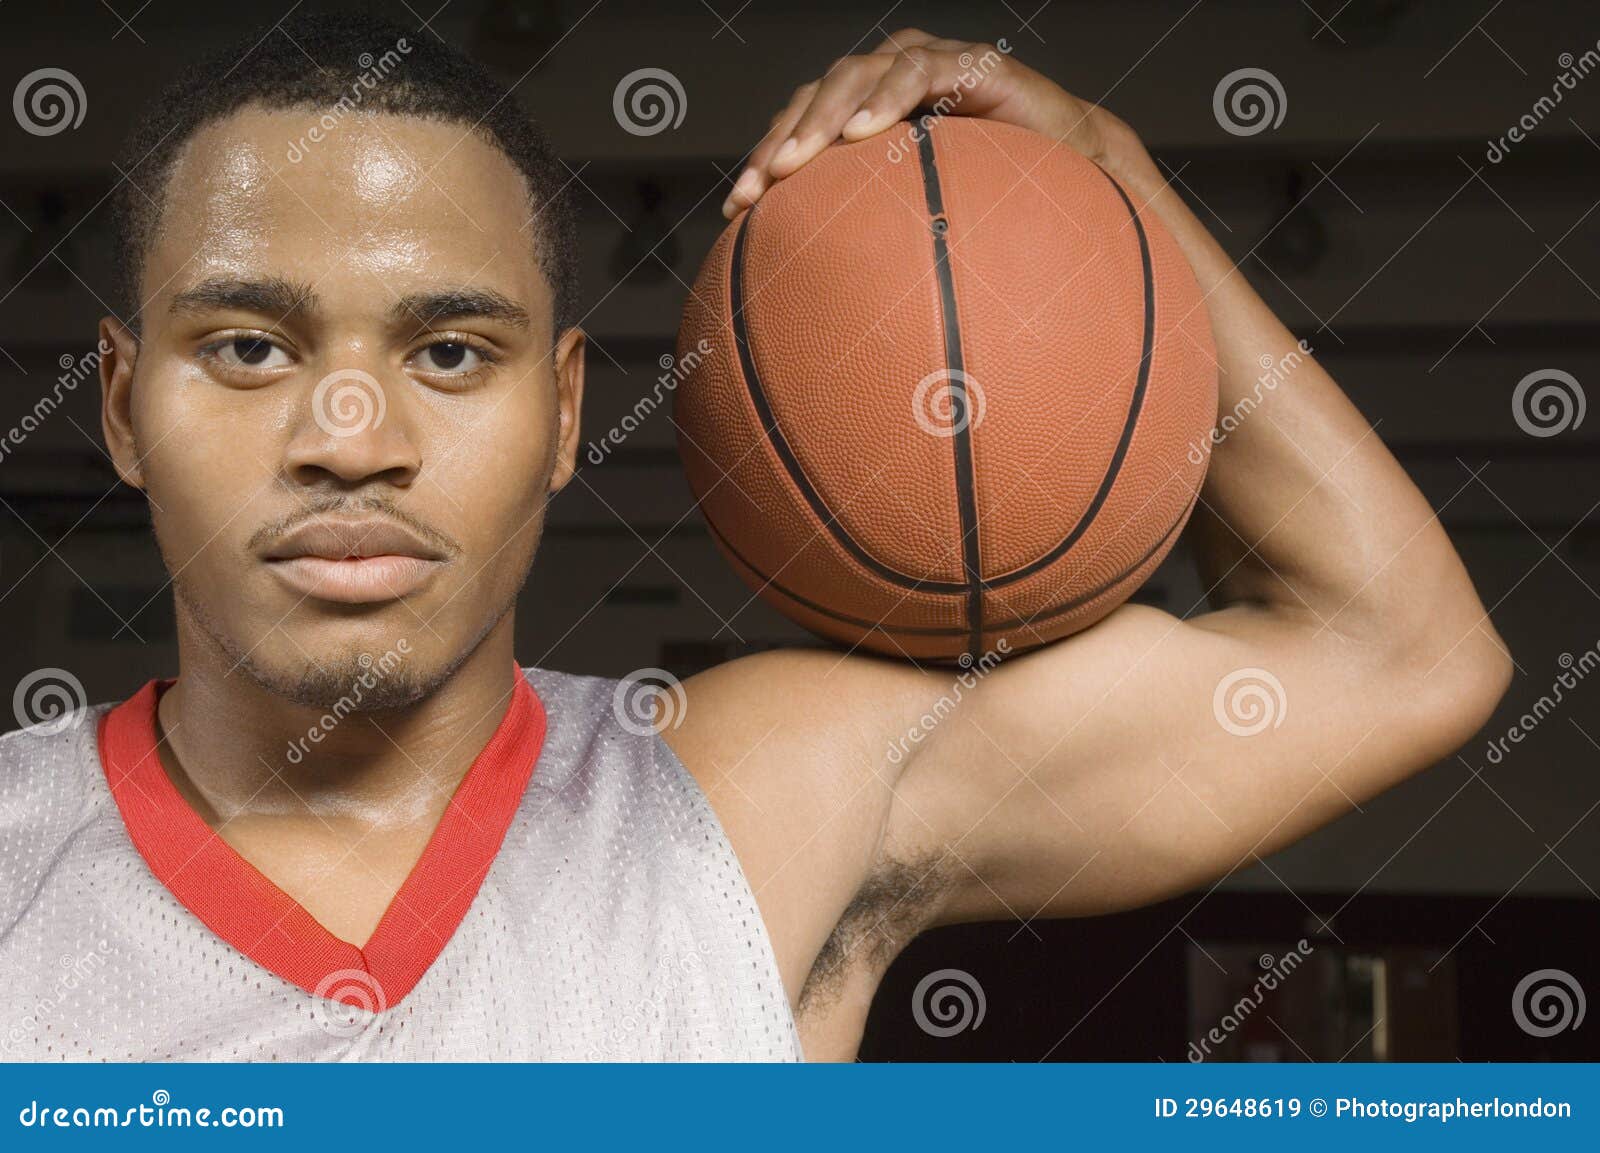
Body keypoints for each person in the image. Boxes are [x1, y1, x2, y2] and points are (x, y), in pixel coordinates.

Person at [0, 15, 1509, 1061]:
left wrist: (1108, 171)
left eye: (451, 353)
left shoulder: (762, 799)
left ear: (568, 408)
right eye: (249, 348)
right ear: (124, 406)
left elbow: (1398, 652)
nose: (352, 432)